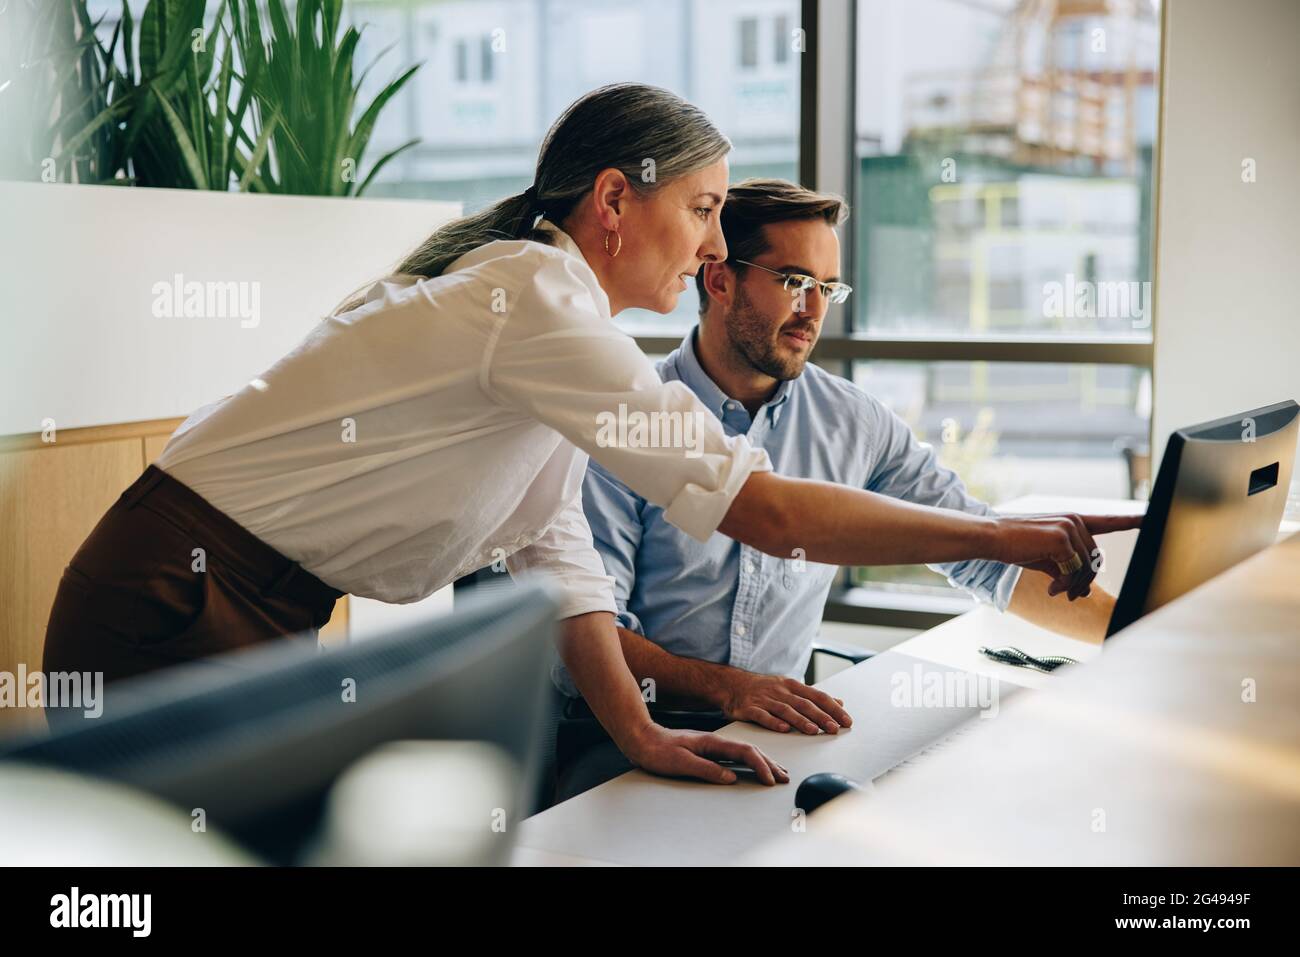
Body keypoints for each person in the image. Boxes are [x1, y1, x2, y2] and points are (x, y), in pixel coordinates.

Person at [43, 83, 1137, 788]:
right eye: (704, 208)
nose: (712, 242)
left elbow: (555, 558)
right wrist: (1002, 539)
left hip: (245, 594)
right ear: (617, 199)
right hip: (178, 588)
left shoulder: (560, 333)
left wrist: (643, 737)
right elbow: (762, 510)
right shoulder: (536, 306)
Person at [554, 179, 1124, 798]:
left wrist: (1136, 637)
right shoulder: (626, 420)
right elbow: (587, 630)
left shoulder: (853, 422)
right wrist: (731, 687)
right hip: (629, 735)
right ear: (719, 279)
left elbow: (987, 558)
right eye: (795, 282)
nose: (816, 310)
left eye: (828, 288)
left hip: (779, 738)